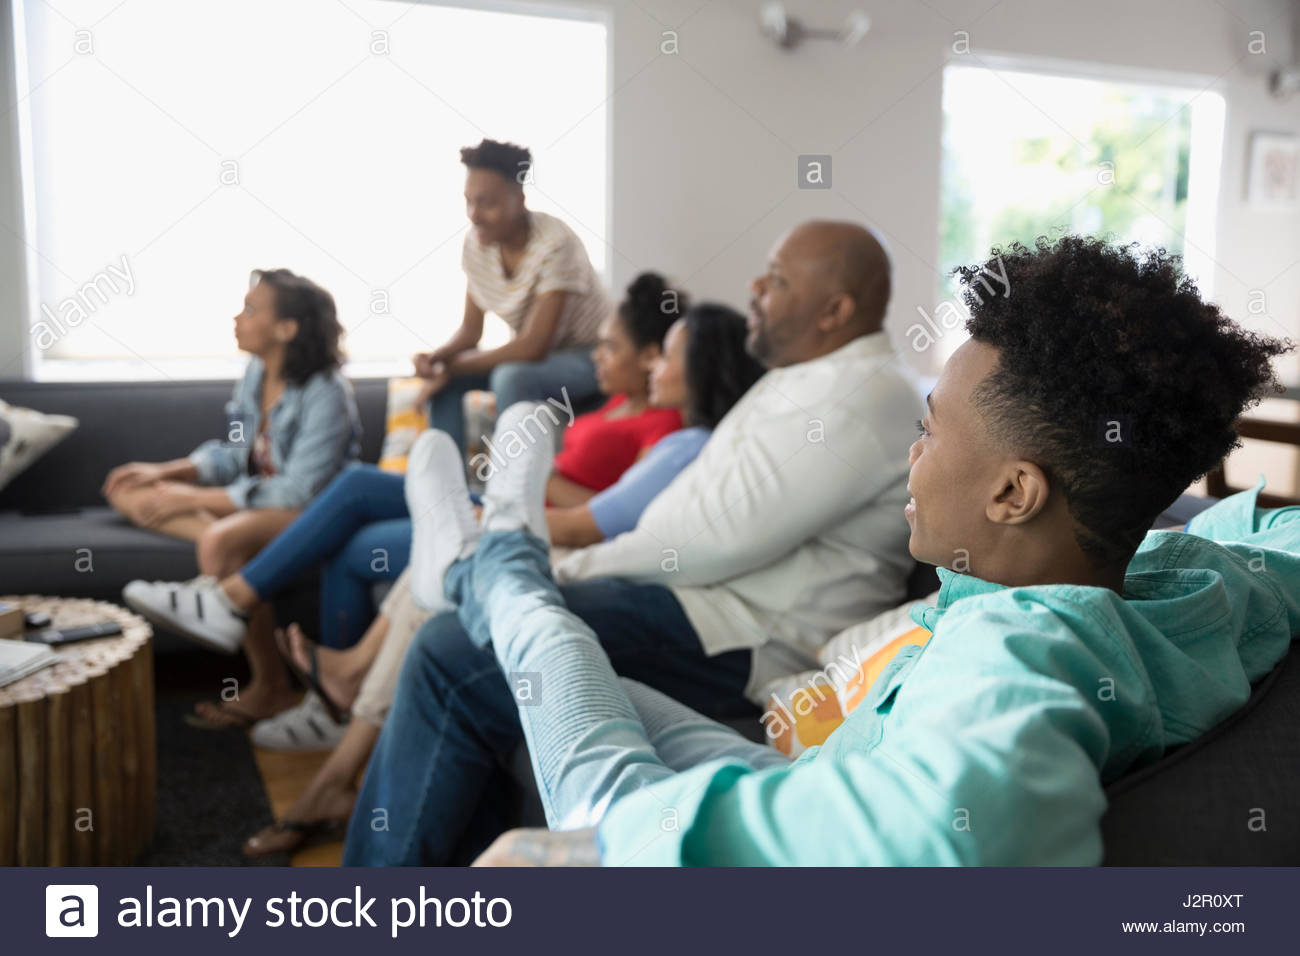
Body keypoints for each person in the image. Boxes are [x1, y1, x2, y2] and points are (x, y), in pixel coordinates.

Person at [445, 235, 1296, 867]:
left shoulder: (1025, 645)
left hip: (657, 835)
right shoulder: (1205, 579)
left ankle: (495, 555)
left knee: (544, 641)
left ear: (1012, 494)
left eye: (928, 433)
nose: (912, 456)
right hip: (810, 774)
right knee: (591, 671)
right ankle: (491, 560)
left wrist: (587, 854)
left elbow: (972, 825)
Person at [343, 219, 925, 865]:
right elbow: (690, 515)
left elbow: (706, 540)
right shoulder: (804, 377)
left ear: (836, 310)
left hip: (743, 634)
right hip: (698, 601)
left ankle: (477, 566)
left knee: (455, 648)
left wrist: (573, 567)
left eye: (778, 278)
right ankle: (484, 565)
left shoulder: (859, 399)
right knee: (467, 643)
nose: (755, 287)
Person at [241, 303, 765, 857]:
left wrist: (519, 499)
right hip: (529, 509)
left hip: (556, 527)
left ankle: (468, 563)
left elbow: (603, 521)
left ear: (703, 367)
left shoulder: (679, 440)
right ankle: (471, 559)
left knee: (415, 566)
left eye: (665, 354)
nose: (626, 360)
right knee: (363, 503)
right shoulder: (633, 415)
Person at [122, 273, 686, 727]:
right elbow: (236, 449)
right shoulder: (607, 410)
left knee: (356, 488)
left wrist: (526, 477)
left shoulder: (664, 427)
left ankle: (238, 606)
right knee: (355, 537)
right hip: (500, 498)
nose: (595, 357)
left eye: (610, 347)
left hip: (519, 516)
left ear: (652, 357)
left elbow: (616, 512)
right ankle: (328, 695)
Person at [112, 269, 360, 726]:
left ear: (288, 328)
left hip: (309, 513)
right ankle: (223, 547)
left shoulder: (328, 392)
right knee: (128, 489)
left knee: (223, 539)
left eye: (250, 309)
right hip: (258, 508)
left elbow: (299, 490)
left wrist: (190, 501)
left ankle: (269, 686)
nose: (237, 317)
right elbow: (233, 451)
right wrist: (167, 472)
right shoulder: (255, 375)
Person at [415, 138, 611, 453]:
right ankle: (449, 493)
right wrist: (437, 359)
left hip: (590, 356)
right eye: (469, 202)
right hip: (541, 357)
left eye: (486, 203)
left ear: (518, 200)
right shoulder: (477, 243)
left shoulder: (557, 244)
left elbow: (533, 347)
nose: (474, 214)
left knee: (511, 377)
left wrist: (453, 366)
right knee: (447, 385)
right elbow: (470, 331)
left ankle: (509, 491)